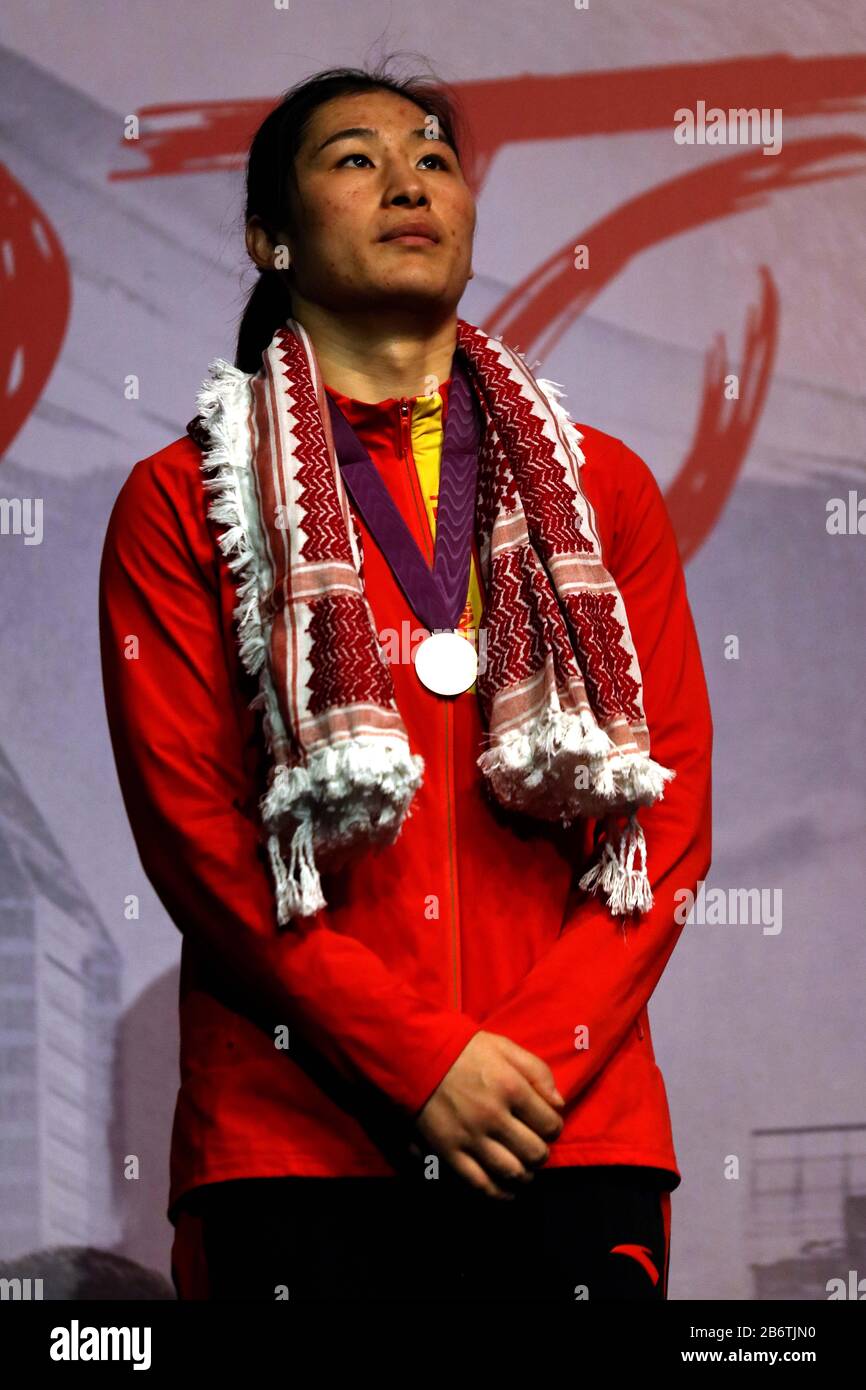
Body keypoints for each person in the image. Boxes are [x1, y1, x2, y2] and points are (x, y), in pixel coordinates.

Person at [98, 61, 713, 1302]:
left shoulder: (600, 490)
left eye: (433, 158)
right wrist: (422, 1058)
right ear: (269, 236)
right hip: (294, 1136)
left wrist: (514, 1068)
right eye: (354, 158)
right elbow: (200, 834)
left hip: (558, 1128)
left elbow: (666, 819)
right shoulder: (183, 500)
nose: (406, 181)